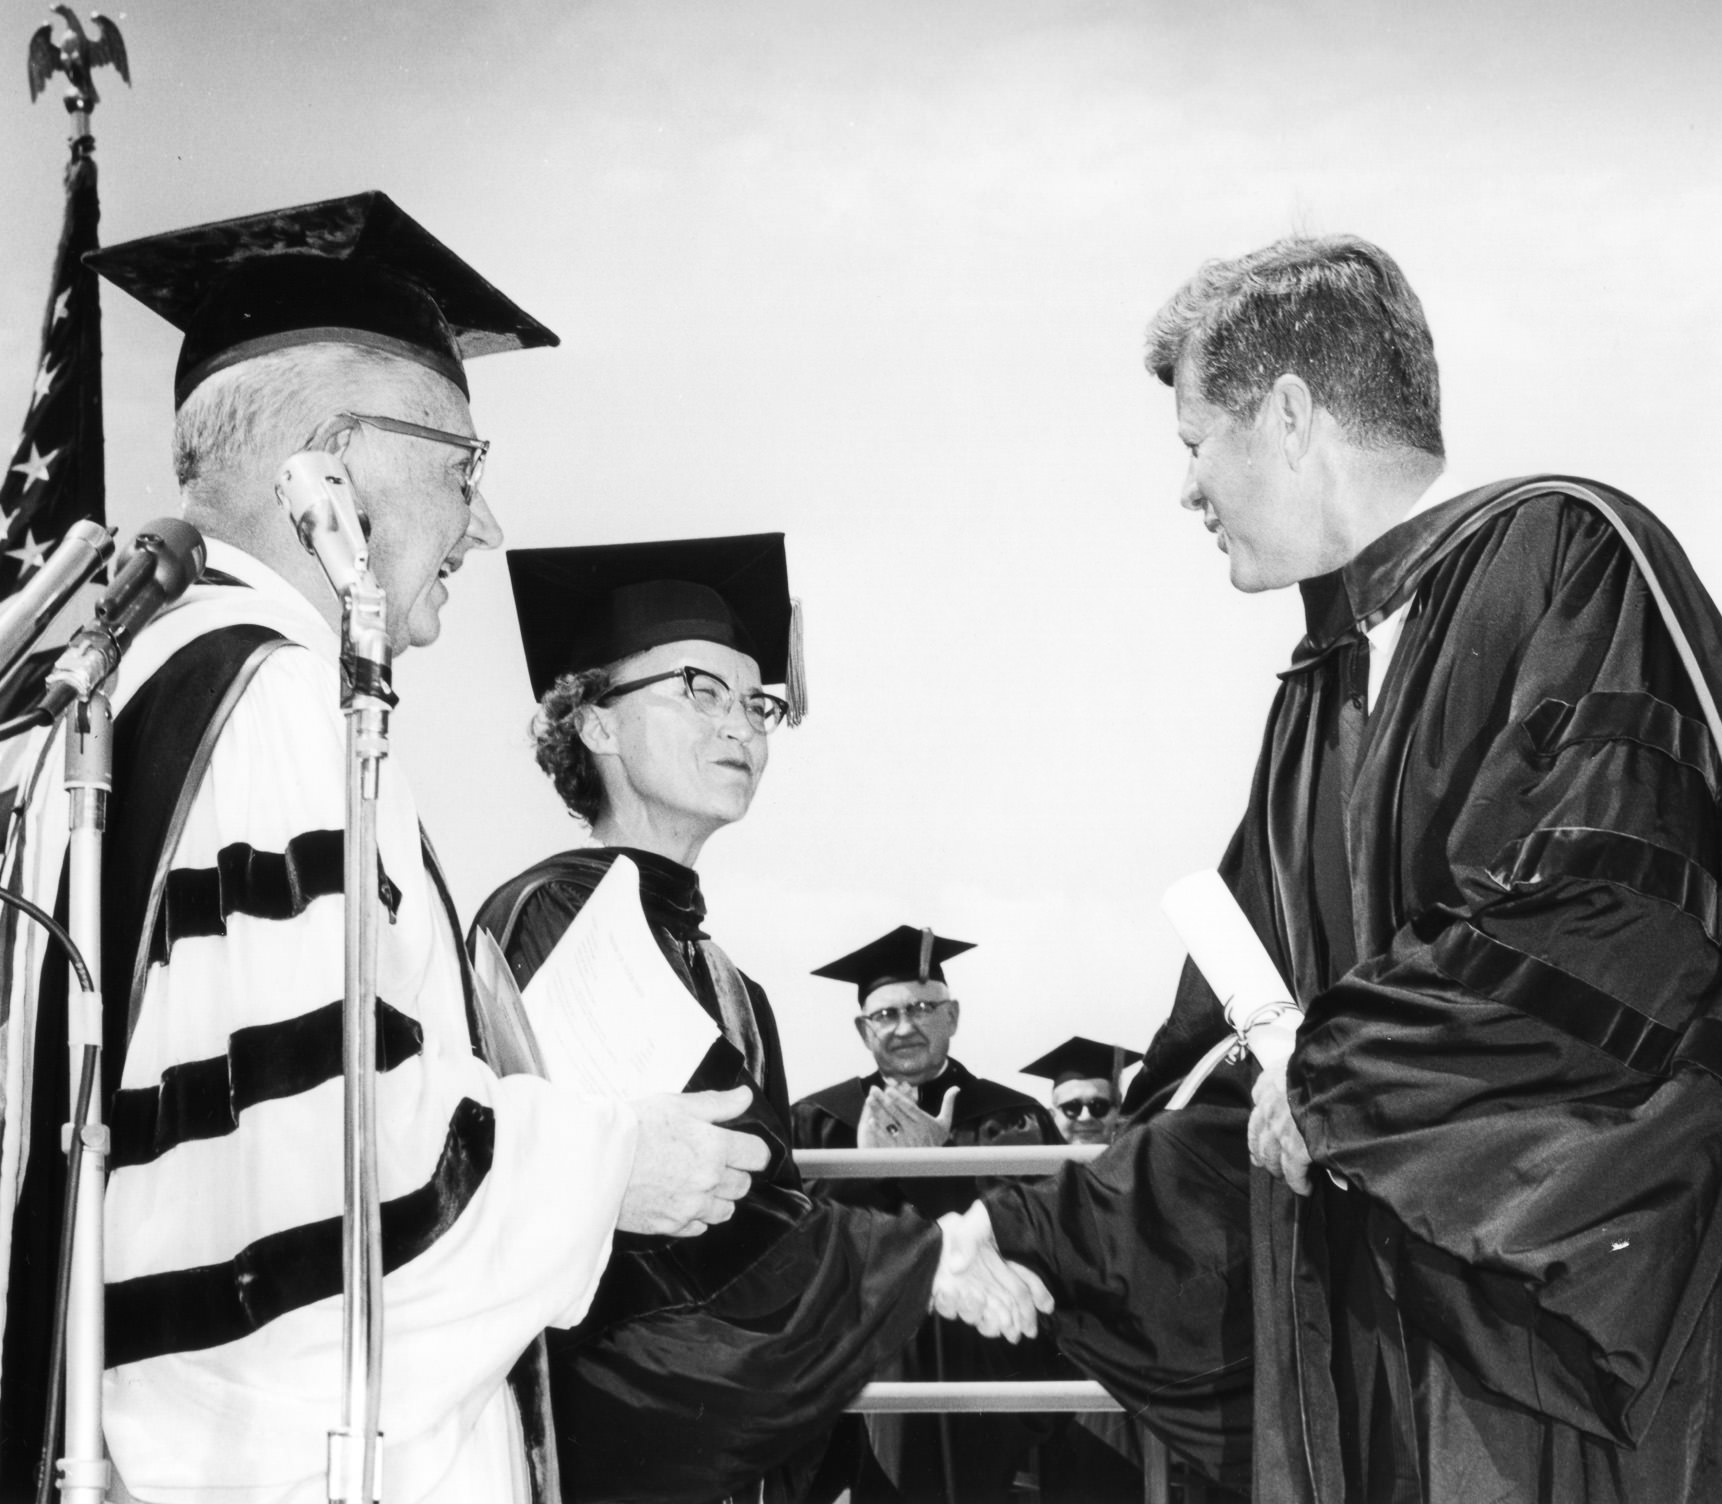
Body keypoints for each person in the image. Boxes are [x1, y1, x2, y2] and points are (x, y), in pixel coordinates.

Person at [944, 233, 1722, 1502]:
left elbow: (1612, 925)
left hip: (1575, 1377)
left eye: (1193, 441)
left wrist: (1339, 1072)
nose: (1185, 487)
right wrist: (1028, 1229)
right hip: (1396, 1352)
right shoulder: (1319, 695)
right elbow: (1240, 1055)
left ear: (1288, 415)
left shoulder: (1561, 559)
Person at [0, 194, 772, 1502]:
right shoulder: (277, 704)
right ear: (336, 466)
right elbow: (313, 1204)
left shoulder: (100, 688)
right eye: (465, 468)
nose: (486, 524)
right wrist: (610, 1166)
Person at [469, 537, 1040, 1504]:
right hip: (614, 1437)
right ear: (596, 723)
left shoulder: (726, 976)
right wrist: (918, 1260)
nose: (742, 725)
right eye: (700, 691)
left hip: (724, 1439)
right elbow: (711, 1209)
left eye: (756, 702)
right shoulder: (556, 918)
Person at [793, 929, 1061, 1504]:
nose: (904, 1027)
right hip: (855, 1355)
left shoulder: (1012, 1118)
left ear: (952, 1016)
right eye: (885, 1014)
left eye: (921, 1008)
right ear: (863, 1029)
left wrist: (933, 1171)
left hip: (979, 1357)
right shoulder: (818, 1121)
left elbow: (1038, 1233)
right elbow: (796, 1245)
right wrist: (864, 1169)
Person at [1020, 1037, 1137, 1147]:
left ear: (1116, 1112)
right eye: (1072, 1107)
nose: (1085, 1117)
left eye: (1099, 1106)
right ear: (1052, 1116)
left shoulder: (1137, 1161)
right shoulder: (1026, 1161)